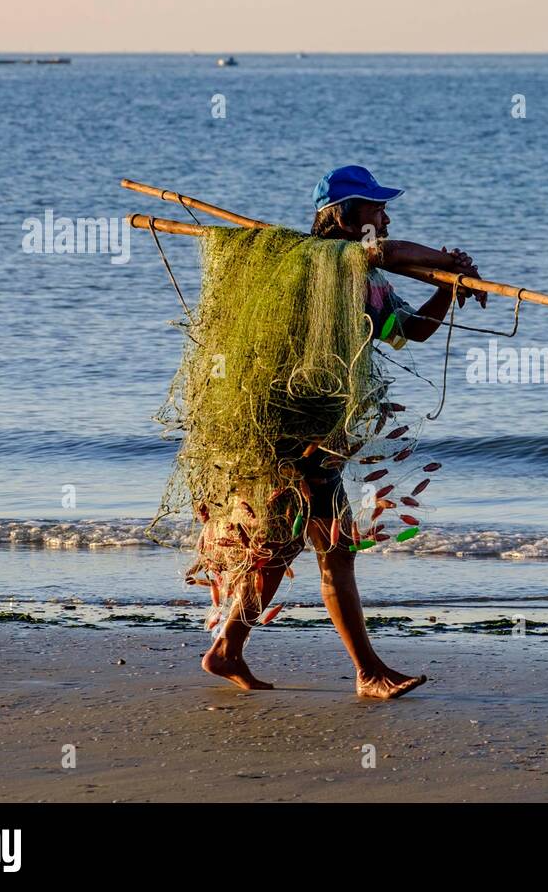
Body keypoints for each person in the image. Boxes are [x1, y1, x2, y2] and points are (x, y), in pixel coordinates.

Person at [200, 165, 485, 697]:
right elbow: (391, 252)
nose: (384, 215)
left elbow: (412, 331)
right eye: (373, 208)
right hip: (290, 429)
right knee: (335, 548)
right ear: (342, 215)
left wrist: (448, 288)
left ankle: (226, 650)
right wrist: (448, 260)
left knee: (282, 547)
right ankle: (368, 671)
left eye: (382, 208)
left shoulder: (368, 282)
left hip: (320, 431)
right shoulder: (310, 259)